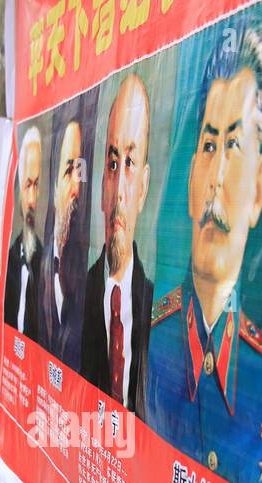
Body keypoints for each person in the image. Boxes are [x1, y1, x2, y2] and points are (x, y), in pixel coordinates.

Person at [143, 19, 262, 483]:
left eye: (234, 146)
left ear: (259, 188)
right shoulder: (150, 338)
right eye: (208, 146)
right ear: (188, 178)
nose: (217, 177)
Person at [81, 74, 155, 420]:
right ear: (101, 186)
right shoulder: (76, 297)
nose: (120, 191)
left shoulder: (157, 308)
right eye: (112, 165)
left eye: (130, 163)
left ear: (143, 187)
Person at [35, 97, 92, 372]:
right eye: (69, 171)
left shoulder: (92, 283)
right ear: (53, 182)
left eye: (81, 173)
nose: (76, 189)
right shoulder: (39, 265)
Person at [2, 125, 43, 338]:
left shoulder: (46, 264)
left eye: (37, 185)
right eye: (28, 185)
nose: (32, 200)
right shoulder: (10, 258)